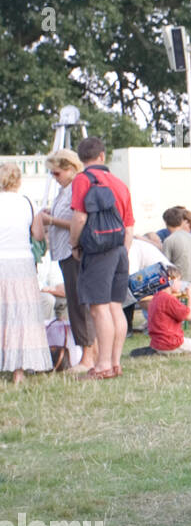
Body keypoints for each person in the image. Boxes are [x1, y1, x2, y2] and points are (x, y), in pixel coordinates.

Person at [68, 136, 132, 379]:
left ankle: (102, 364)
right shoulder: (118, 183)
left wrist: (74, 244)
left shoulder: (83, 180)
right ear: (102, 156)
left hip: (98, 251)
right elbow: (129, 226)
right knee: (116, 306)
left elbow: (80, 217)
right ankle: (115, 362)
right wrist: (122, 252)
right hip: (120, 249)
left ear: (81, 158)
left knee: (99, 309)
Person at [39, 149, 97, 372]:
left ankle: (87, 356)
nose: (54, 177)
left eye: (57, 173)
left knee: (79, 304)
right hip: (66, 252)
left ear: (71, 169)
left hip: (73, 252)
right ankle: (90, 353)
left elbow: (77, 220)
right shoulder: (65, 189)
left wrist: (51, 220)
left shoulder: (75, 188)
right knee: (76, 303)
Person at [0, 162, 54, 383]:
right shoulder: (27, 202)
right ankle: (18, 371)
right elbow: (38, 235)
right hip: (22, 262)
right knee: (21, 315)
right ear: (18, 180)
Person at [146, 266, 191, 354]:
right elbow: (189, 316)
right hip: (170, 344)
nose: (180, 284)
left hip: (156, 344)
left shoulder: (156, 297)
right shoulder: (168, 299)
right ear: (171, 281)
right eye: (178, 280)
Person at [161, 206, 191, 282]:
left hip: (179, 284)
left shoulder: (169, 240)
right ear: (181, 221)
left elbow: (164, 268)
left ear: (166, 222)